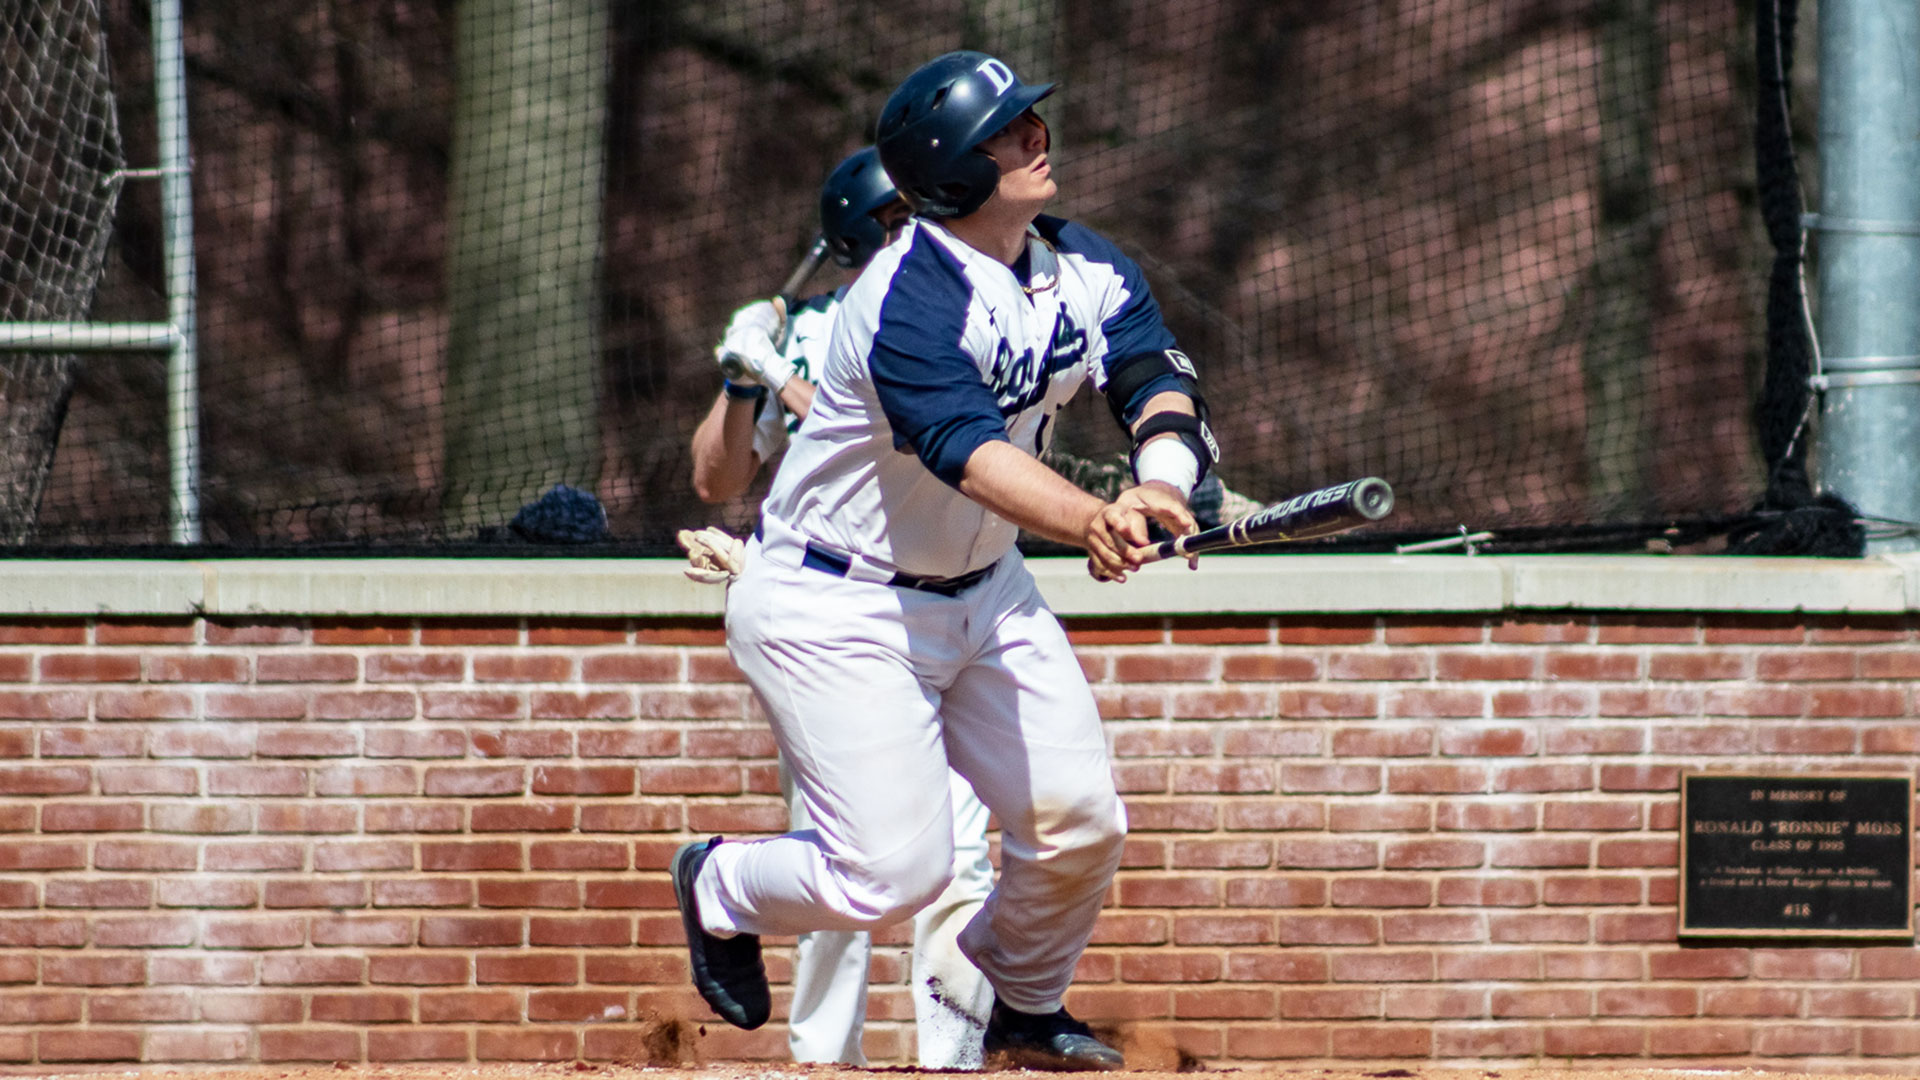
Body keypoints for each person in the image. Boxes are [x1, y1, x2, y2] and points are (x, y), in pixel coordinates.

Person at [671, 49, 1222, 1072]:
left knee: (1082, 824)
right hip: (835, 602)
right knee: (892, 874)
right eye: (1007, 131)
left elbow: (1153, 372)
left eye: (1028, 121)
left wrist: (1162, 483)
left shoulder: (1082, 262)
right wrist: (1092, 518)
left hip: (985, 593)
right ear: (954, 173)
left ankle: (1019, 1001)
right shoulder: (904, 296)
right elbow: (965, 450)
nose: (1034, 136)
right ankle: (720, 883)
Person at [685, 146, 998, 1069]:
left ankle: (953, 1055)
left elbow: (901, 428)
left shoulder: (962, 311)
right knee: (841, 857)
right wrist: (742, 379)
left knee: (964, 855)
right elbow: (716, 475)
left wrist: (779, 376)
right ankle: (824, 1058)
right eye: (904, 220)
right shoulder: (821, 323)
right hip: (836, 620)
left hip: (946, 602)